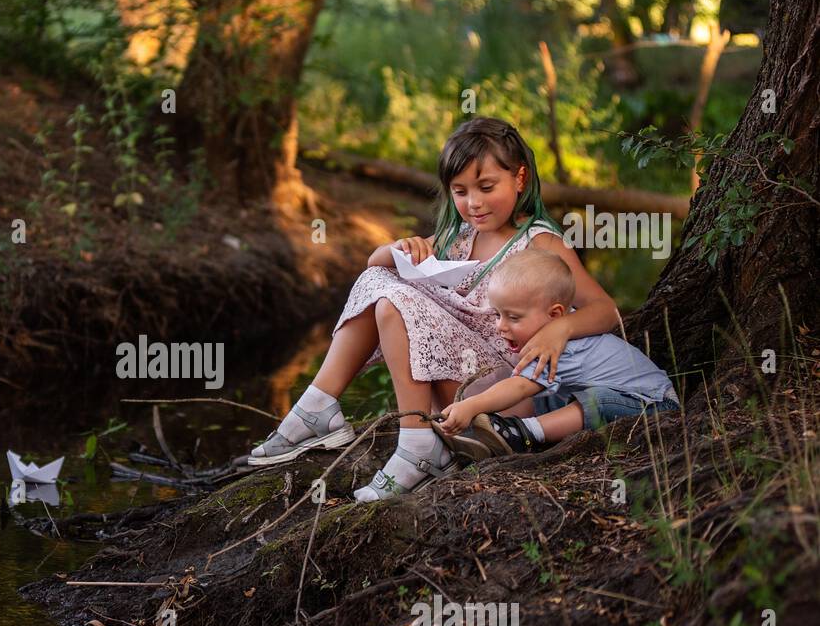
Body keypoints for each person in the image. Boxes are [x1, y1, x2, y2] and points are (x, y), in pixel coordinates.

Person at [246, 116, 621, 502]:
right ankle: (320, 406)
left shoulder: (540, 242)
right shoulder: (459, 237)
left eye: (486, 187)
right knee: (380, 282)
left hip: (504, 400)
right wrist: (401, 248)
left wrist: (560, 330)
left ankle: (416, 443)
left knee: (398, 299)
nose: (473, 203)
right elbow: (374, 265)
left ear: (520, 179)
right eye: (460, 192)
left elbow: (605, 310)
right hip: (457, 385)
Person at [436, 249, 679, 454]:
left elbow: (519, 387)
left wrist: (471, 405)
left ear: (554, 314)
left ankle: (525, 433)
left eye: (513, 317)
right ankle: (497, 429)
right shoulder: (556, 333)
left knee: (596, 401)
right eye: (498, 314)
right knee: (546, 394)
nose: (501, 326)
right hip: (627, 399)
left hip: (653, 406)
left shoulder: (561, 348)